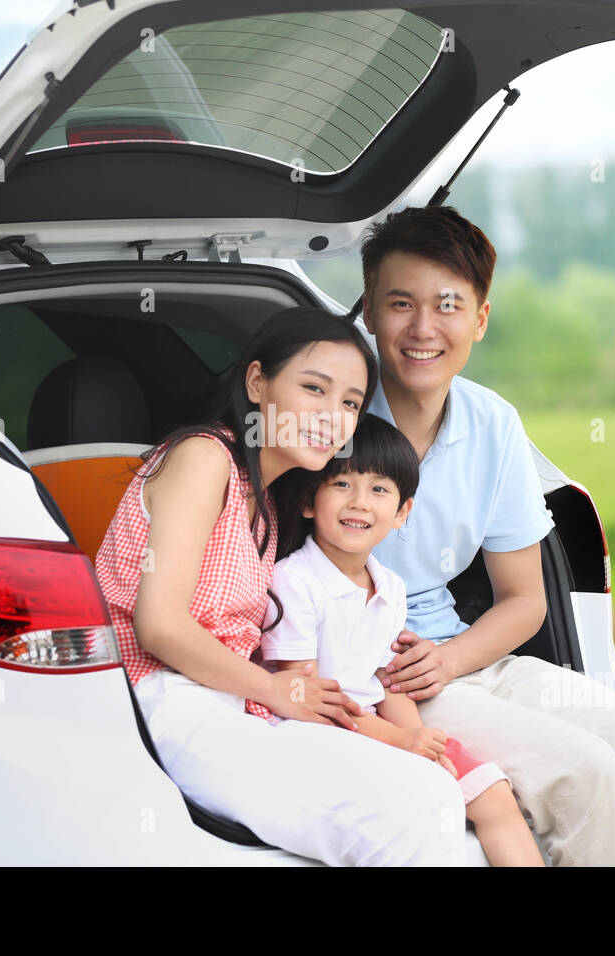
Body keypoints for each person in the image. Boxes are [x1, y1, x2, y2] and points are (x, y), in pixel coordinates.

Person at [353, 205, 615, 866]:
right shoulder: (334, 419)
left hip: (475, 666)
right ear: (369, 311)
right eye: (400, 303)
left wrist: (454, 658)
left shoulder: (493, 423)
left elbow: (525, 599)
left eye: (447, 305)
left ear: (481, 319)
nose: (422, 329)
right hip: (390, 687)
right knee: (592, 777)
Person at [92, 306, 466, 866]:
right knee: (405, 812)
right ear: (256, 382)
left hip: (240, 703)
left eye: (349, 403)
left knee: (434, 793)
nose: (332, 416)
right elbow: (160, 626)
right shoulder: (203, 458)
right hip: (160, 700)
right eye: (314, 388)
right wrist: (279, 692)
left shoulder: (268, 502)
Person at [262, 413, 544, 866]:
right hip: (321, 735)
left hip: (380, 729)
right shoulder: (294, 582)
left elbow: (388, 681)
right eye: (341, 484)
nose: (359, 503)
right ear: (309, 500)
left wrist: (419, 740)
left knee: (493, 794)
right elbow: (307, 702)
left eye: (379, 490)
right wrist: (399, 743)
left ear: (401, 513)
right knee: (428, 804)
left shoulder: (389, 587)